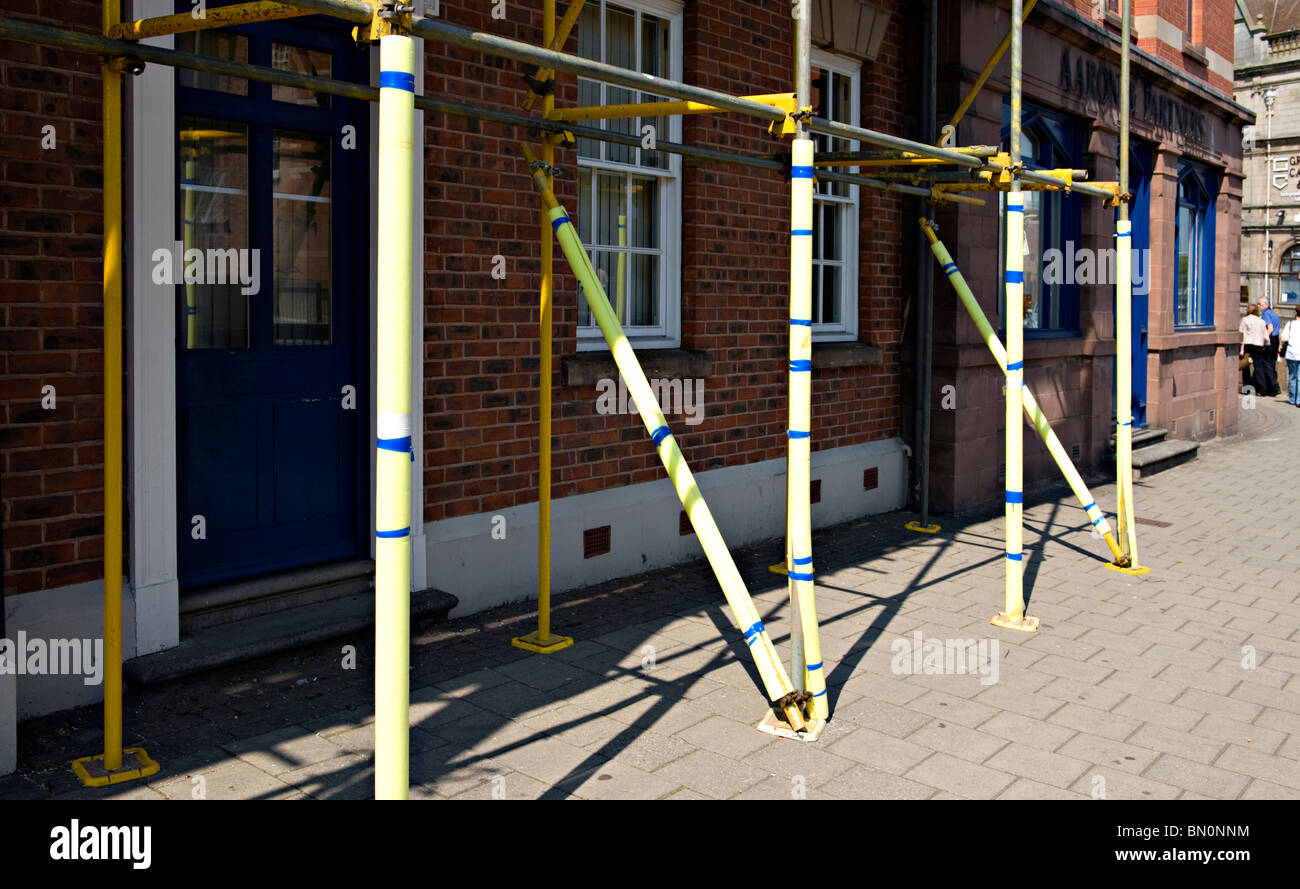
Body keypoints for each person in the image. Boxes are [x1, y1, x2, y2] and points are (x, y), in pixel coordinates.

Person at [1241, 304, 1270, 397]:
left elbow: (1242, 333)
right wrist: (1266, 344)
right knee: (1258, 367)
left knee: (1245, 366)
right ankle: (1262, 389)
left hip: (1248, 344)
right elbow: (1265, 335)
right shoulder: (1261, 321)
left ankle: (1247, 388)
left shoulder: (1245, 320)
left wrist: (1241, 348)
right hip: (1258, 345)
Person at [1259, 297, 1282, 396]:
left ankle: (1274, 387)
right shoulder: (1273, 313)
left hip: (1271, 340)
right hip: (1275, 339)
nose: (1259, 306)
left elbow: (1270, 328)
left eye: (1260, 304)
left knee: (1266, 364)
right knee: (1271, 364)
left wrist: (1264, 340)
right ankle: (1271, 389)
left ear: (1265, 304)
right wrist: (1280, 344)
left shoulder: (1266, 314)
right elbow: (1279, 329)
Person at [1282, 311, 1300, 407]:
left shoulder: (1290, 324)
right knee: (1299, 377)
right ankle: (1299, 400)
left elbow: (1284, 338)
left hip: (1292, 353)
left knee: (1292, 376)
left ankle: (1292, 399)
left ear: (1295, 313)